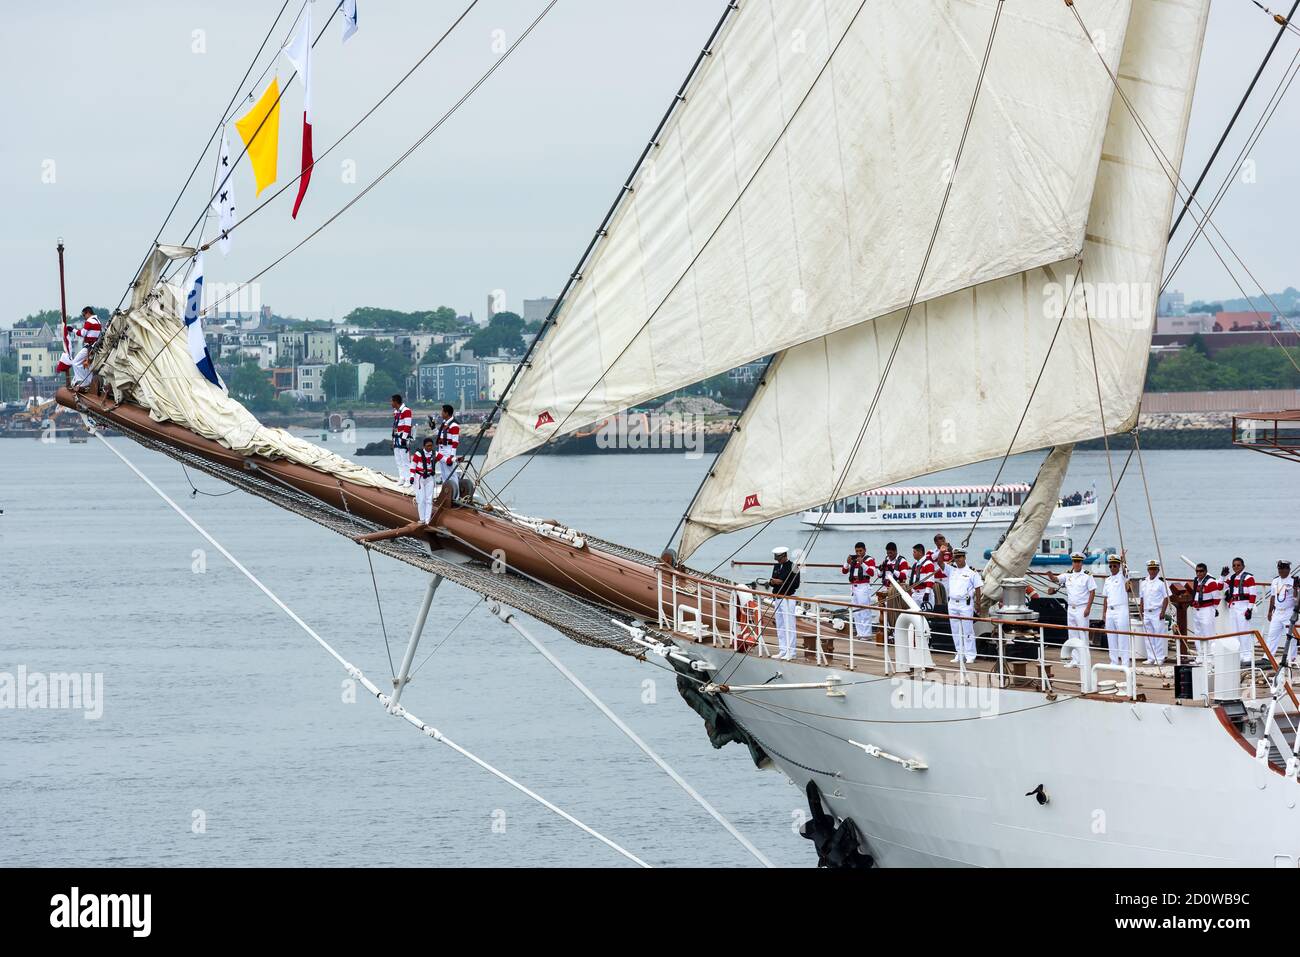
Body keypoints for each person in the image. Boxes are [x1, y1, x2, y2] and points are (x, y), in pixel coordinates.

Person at [1047, 552, 1095, 672]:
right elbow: (1056, 579)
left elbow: (1092, 591)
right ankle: (1075, 660)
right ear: (1072, 562)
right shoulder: (1068, 575)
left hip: (1082, 608)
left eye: (1078, 561)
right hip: (1071, 608)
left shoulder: (1087, 575)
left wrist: (1088, 608)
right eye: (1074, 561)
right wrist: (1050, 575)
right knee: (1072, 634)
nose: (1076, 564)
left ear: (1081, 563)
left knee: (1083, 634)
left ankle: (1084, 661)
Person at [945, 547, 981, 664]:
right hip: (952, 604)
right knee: (955, 630)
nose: (958, 559)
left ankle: (970, 655)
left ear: (964, 557)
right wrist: (943, 553)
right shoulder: (951, 570)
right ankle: (959, 654)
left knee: (968, 631)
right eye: (956, 557)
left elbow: (978, 588)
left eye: (960, 557)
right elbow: (940, 563)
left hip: (965, 604)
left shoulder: (971, 572)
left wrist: (978, 604)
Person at [1183, 562, 1222, 663]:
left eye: (1201, 571)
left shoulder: (1211, 582)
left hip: (1207, 610)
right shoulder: (1196, 580)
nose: (1199, 573)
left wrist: (1213, 609)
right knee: (1198, 633)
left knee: (1208, 633)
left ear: (1205, 571)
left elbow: (1217, 598)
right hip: (1197, 610)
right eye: (1197, 571)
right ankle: (1200, 656)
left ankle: (1210, 657)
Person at [768, 546, 800, 661]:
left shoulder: (794, 566)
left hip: (788, 598)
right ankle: (783, 650)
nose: (777, 560)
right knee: (780, 624)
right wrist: (773, 582)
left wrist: (781, 582)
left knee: (789, 625)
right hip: (778, 597)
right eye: (776, 558)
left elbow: (796, 584)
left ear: (784, 556)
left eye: (779, 558)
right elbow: (772, 580)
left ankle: (791, 651)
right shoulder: (777, 566)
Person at [1223, 557, 1257, 663]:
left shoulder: (1249, 577)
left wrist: (1249, 609)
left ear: (1243, 566)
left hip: (1243, 606)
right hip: (1233, 607)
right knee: (1234, 632)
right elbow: (1220, 586)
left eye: (1238, 565)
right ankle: (1238, 654)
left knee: (1244, 632)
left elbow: (1253, 594)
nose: (1236, 567)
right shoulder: (1232, 578)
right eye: (1234, 565)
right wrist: (1223, 576)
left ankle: (1247, 655)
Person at [1100, 554, 1132, 667]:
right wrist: (1104, 613)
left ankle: (1124, 662)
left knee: (1123, 637)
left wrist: (1123, 560)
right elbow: (1105, 598)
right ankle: (1113, 661)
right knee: (1111, 636)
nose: (1112, 568)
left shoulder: (1122, 577)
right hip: (1110, 610)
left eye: (1115, 566)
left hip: (1121, 609)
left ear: (1118, 566)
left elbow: (1125, 572)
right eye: (1111, 566)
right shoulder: (1108, 580)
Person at [841, 542, 876, 643]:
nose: (858, 553)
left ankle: (867, 634)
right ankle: (860, 633)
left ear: (865, 550)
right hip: (854, 587)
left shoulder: (869, 559)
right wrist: (847, 562)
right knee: (856, 611)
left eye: (860, 551)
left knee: (865, 610)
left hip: (863, 587)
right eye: (857, 551)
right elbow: (844, 571)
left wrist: (862, 563)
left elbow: (872, 572)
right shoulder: (853, 560)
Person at [1138, 560, 1170, 665]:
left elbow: (1166, 598)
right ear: (1148, 570)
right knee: (1148, 636)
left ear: (1158, 570)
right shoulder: (1143, 582)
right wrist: (1141, 609)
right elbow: (1142, 597)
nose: (1152, 571)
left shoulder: (1161, 583)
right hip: (1146, 612)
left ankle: (1159, 658)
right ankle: (1151, 657)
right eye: (1150, 569)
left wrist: (1163, 611)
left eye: (1154, 569)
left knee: (1158, 636)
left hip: (1157, 612)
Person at [1266, 560, 1297, 661]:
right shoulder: (1275, 581)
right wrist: (1270, 611)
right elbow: (1273, 597)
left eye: (1283, 568)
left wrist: (1296, 588)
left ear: (1288, 569)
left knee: (1291, 636)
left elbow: (1297, 598)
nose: (1281, 571)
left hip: (1289, 611)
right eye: (1279, 569)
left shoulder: (1294, 580)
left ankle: (1291, 657)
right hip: (1277, 612)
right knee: (1272, 634)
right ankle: (1268, 657)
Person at [409, 436, 438, 524]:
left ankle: (427, 520)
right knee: (421, 499)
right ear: (424, 446)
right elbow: (413, 466)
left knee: (429, 500)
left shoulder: (434, 453)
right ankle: (422, 519)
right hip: (420, 478)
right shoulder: (418, 454)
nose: (430, 447)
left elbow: (444, 459)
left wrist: (455, 459)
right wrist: (411, 477)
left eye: (431, 446)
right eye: (428, 446)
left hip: (430, 478)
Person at [434, 403, 461, 489]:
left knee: (450, 473)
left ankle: (455, 494)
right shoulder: (444, 423)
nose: (441, 413)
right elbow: (440, 435)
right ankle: (447, 491)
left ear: (446, 413)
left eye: (442, 411)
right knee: (444, 473)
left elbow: (455, 442)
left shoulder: (454, 426)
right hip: (442, 450)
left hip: (448, 451)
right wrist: (433, 428)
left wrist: (452, 456)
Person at [907, 543, 936, 611]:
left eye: (914, 552)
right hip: (915, 594)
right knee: (915, 614)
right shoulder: (915, 565)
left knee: (927, 615)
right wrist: (912, 591)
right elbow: (913, 580)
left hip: (924, 593)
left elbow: (930, 580)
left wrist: (927, 593)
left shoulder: (928, 564)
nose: (913, 554)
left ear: (920, 552)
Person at [390, 394, 413, 480]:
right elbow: (395, 426)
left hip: (402, 438)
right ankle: (402, 477)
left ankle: (408, 479)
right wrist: (392, 440)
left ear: (396, 402)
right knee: (398, 460)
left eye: (391, 401)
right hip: (396, 438)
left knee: (405, 461)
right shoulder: (396, 412)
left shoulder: (406, 411)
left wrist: (404, 438)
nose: (391, 403)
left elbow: (407, 426)